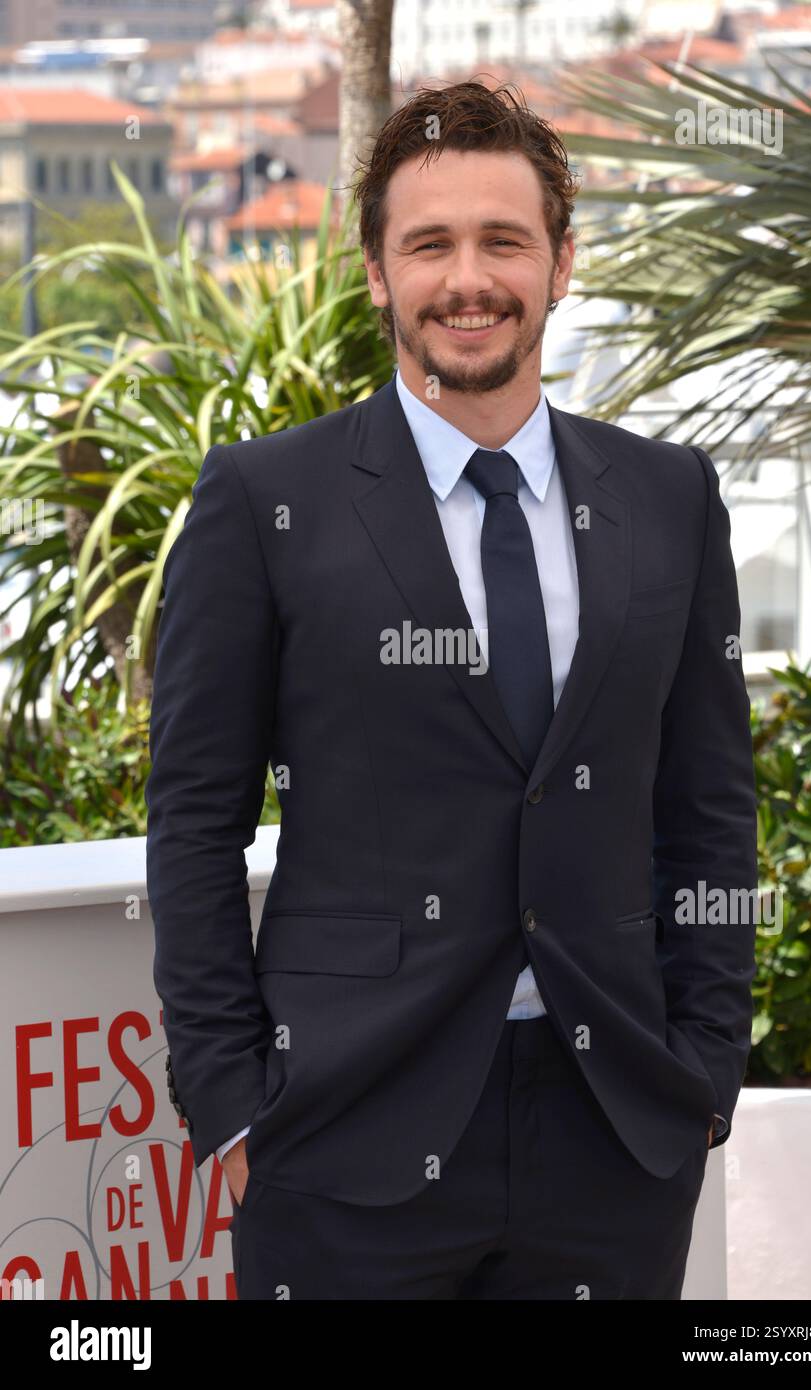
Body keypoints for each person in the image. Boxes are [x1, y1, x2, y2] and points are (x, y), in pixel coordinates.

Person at [146, 81, 758, 1300]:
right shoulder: (265, 500)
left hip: (616, 1132)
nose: (466, 279)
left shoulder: (668, 496)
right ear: (376, 271)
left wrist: (705, 1068)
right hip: (343, 1131)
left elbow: (710, 806)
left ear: (561, 264)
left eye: (503, 241)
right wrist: (228, 1097)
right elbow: (194, 818)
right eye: (428, 244)